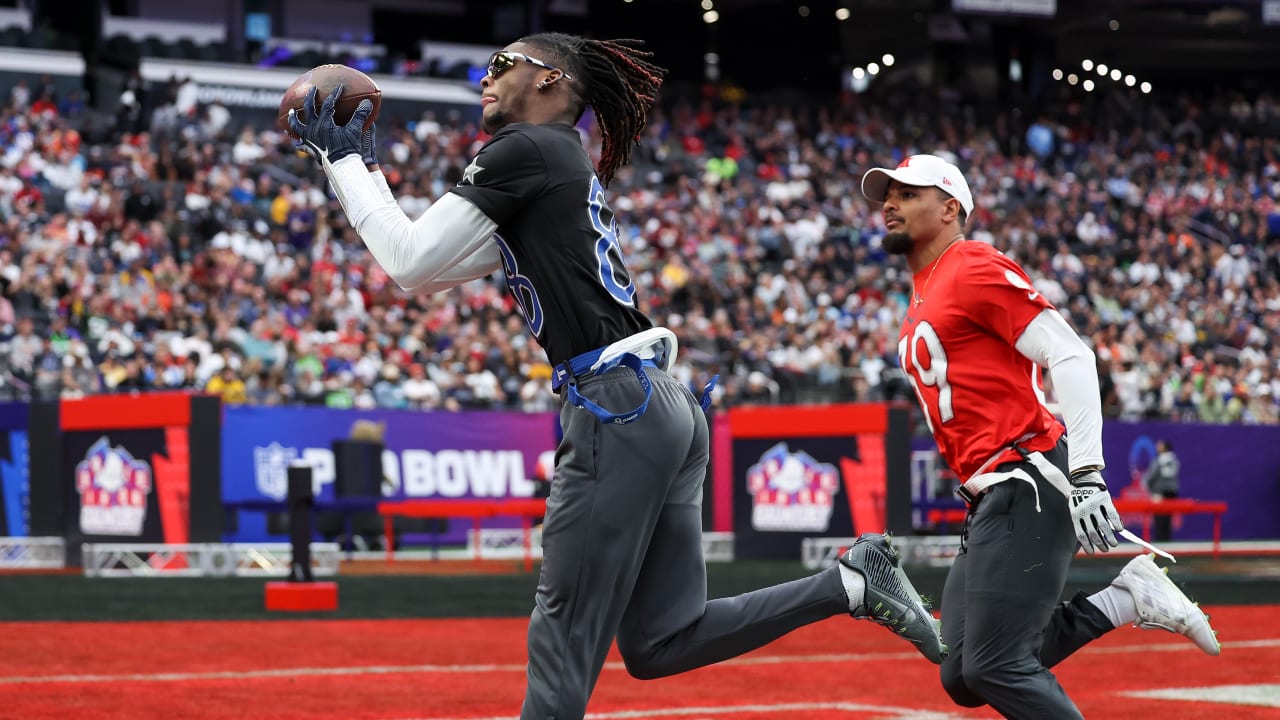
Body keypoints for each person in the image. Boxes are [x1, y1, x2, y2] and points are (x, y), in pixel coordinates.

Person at [290, 33, 945, 720]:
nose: (483, 78)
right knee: (662, 639)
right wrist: (355, 166)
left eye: (500, 66)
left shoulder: (527, 149)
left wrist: (344, 161)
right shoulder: (559, 160)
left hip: (616, 405)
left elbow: (409, 265)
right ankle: (849, 585)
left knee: (563, 633)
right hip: (659, 402)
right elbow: (423, 269)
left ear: (549, 80)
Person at [860, 154, 1220, 719]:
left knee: (994, 665)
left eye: (907, 194)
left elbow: (1071, 352)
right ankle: (1125, 599)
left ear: (950, 208)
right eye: (888, 194)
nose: (889, 203)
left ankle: (1127, 597)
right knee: (961, 671)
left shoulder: (970, 265)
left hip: (1027, 475)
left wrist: (1087, 472)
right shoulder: (926, 289)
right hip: (989, 491)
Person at [1143, 439, 1181, 541]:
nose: (1157, 446)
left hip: (1159, 492)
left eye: (1160, 445)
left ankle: (1160, 541)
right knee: (1167, 518)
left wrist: (1149, 487)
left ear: (1165, 447)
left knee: (1159, 518)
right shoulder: (1174, 459)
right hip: (1172, 492)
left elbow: (1151, 476)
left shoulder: (1160, 460)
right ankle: (1166, 540)